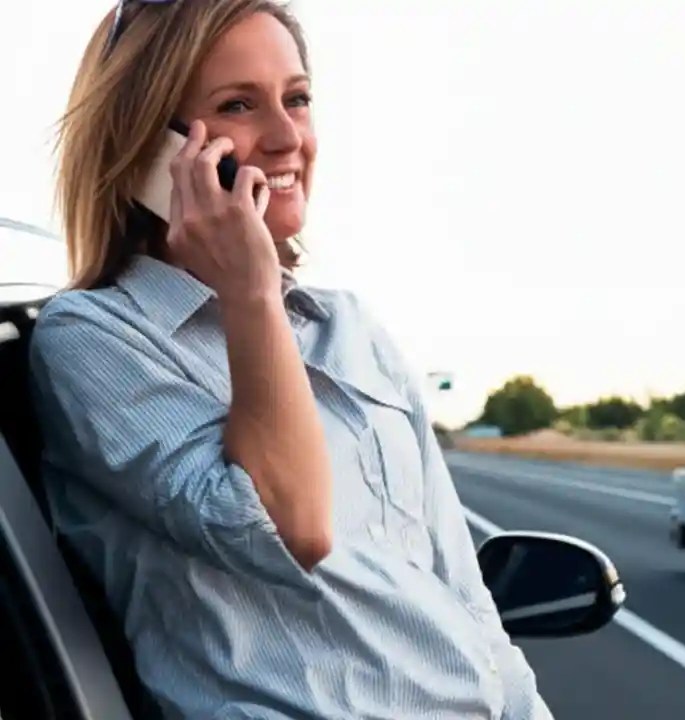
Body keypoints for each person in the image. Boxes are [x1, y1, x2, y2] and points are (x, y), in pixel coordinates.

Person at [28, 1, 552, 717]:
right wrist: (249, 291)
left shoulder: (351, 327)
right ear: (151, 149)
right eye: (238, 105)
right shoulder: (91, 338)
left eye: (297, 99)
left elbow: (463, 596)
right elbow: (287, 524)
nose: (286, 138)